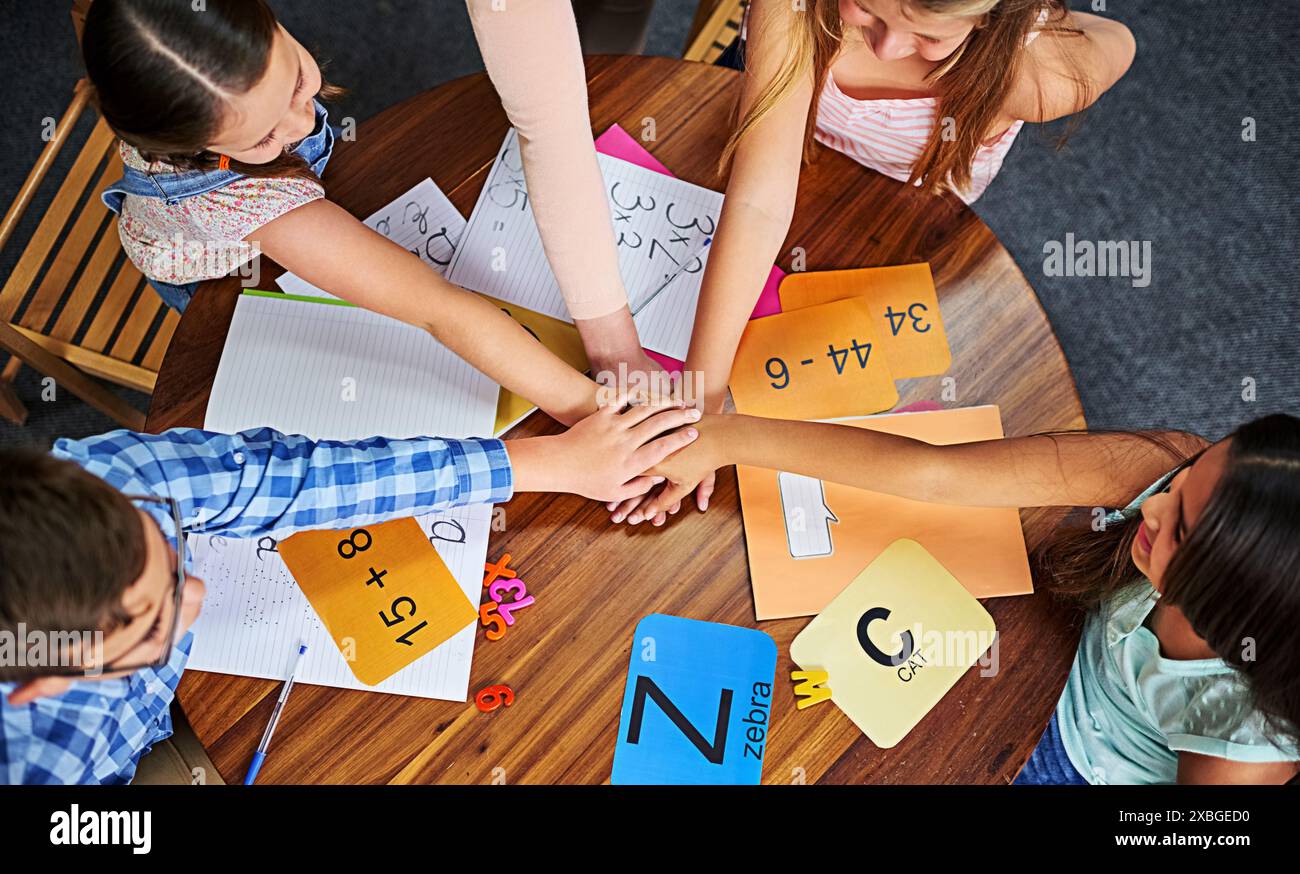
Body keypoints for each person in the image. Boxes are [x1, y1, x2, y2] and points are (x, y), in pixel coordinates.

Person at [611, 0, 1136, 524]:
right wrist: (702, 392)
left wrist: (1041, 26)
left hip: (896, 232)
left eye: (929, 36)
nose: (887, 46)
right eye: (866, 8)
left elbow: (1115, 37)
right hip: (761, 142)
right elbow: (758, 201)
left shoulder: (1045, 77)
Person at [0, 399, 700, 784]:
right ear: (41, 680)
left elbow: (304, 480)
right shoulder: (32, 765)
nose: (200, 598)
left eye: (173, 559)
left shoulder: (118, 480)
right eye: (153, 623)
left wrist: (541, 461)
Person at [637, 411, 1300, 783]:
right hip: (1037, 641)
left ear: (1229, 603)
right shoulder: (1169, 466)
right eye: (1185, 481)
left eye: (1178, 527)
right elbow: (935, 472)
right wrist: (726, 439)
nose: (1152, 502)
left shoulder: (1244, 741)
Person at [82, 0, 600, 427]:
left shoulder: (228, 90)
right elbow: (439, 310)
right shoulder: (236, 202)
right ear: (196, 147)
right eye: (263, 137)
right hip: (217, 272)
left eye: (296, 84)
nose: (301, 121)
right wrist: (588, 410)